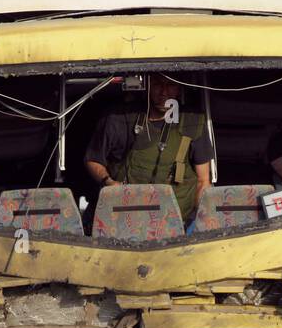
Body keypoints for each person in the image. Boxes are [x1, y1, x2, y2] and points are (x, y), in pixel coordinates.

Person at [84, 74, 214, 226]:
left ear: (179, 89)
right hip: (122, 219)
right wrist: (109, 183)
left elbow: (203, 181)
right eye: (158, 84)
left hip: (172, 224)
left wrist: (199, 224)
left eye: (171, 85)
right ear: (147, 85)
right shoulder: (119, 117)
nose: (164, 92)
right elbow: (92, 159)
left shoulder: (192, 121)